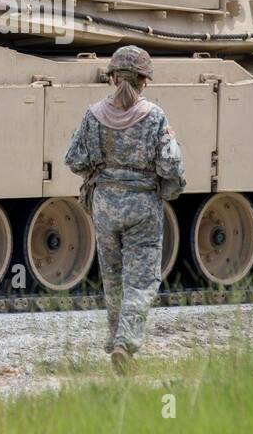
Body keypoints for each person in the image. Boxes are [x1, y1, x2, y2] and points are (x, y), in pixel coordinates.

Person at [64, 45, 185, 374]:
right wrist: (168, 189)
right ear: (144, 80)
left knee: (113, 278)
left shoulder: (93, 116)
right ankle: (125, 342)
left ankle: (114, 338)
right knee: (141, 280)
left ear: (113, 77)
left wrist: (102, 174)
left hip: (104, 207)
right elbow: (171, 163)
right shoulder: (156, 117)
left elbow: (73, 158)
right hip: (143, 206)